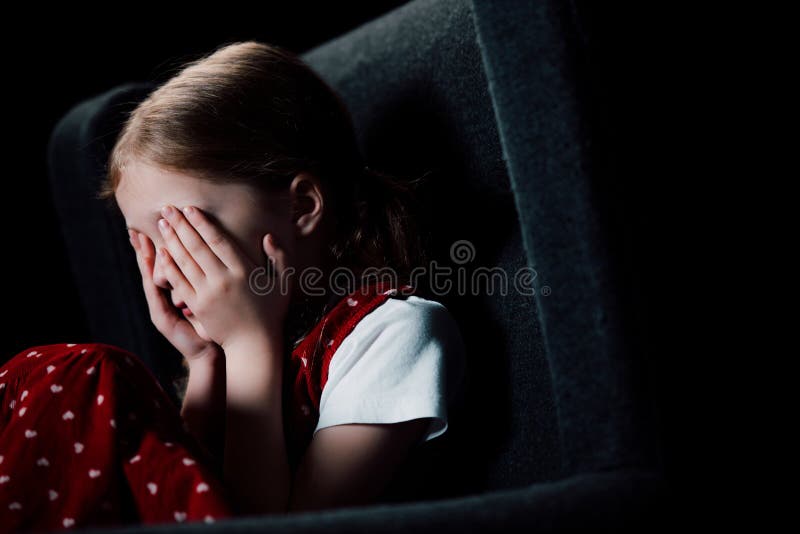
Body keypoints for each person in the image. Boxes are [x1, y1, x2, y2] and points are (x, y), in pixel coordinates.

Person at [0, 40, 465, 531]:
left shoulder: (396, 334)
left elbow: (263, 527)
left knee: (86, 372)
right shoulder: (226, 353)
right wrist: (203, 363)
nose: (160, 273)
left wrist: (248, 342)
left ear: (302, 206)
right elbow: (184, 491)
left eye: (184, 231)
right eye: (148, 245)